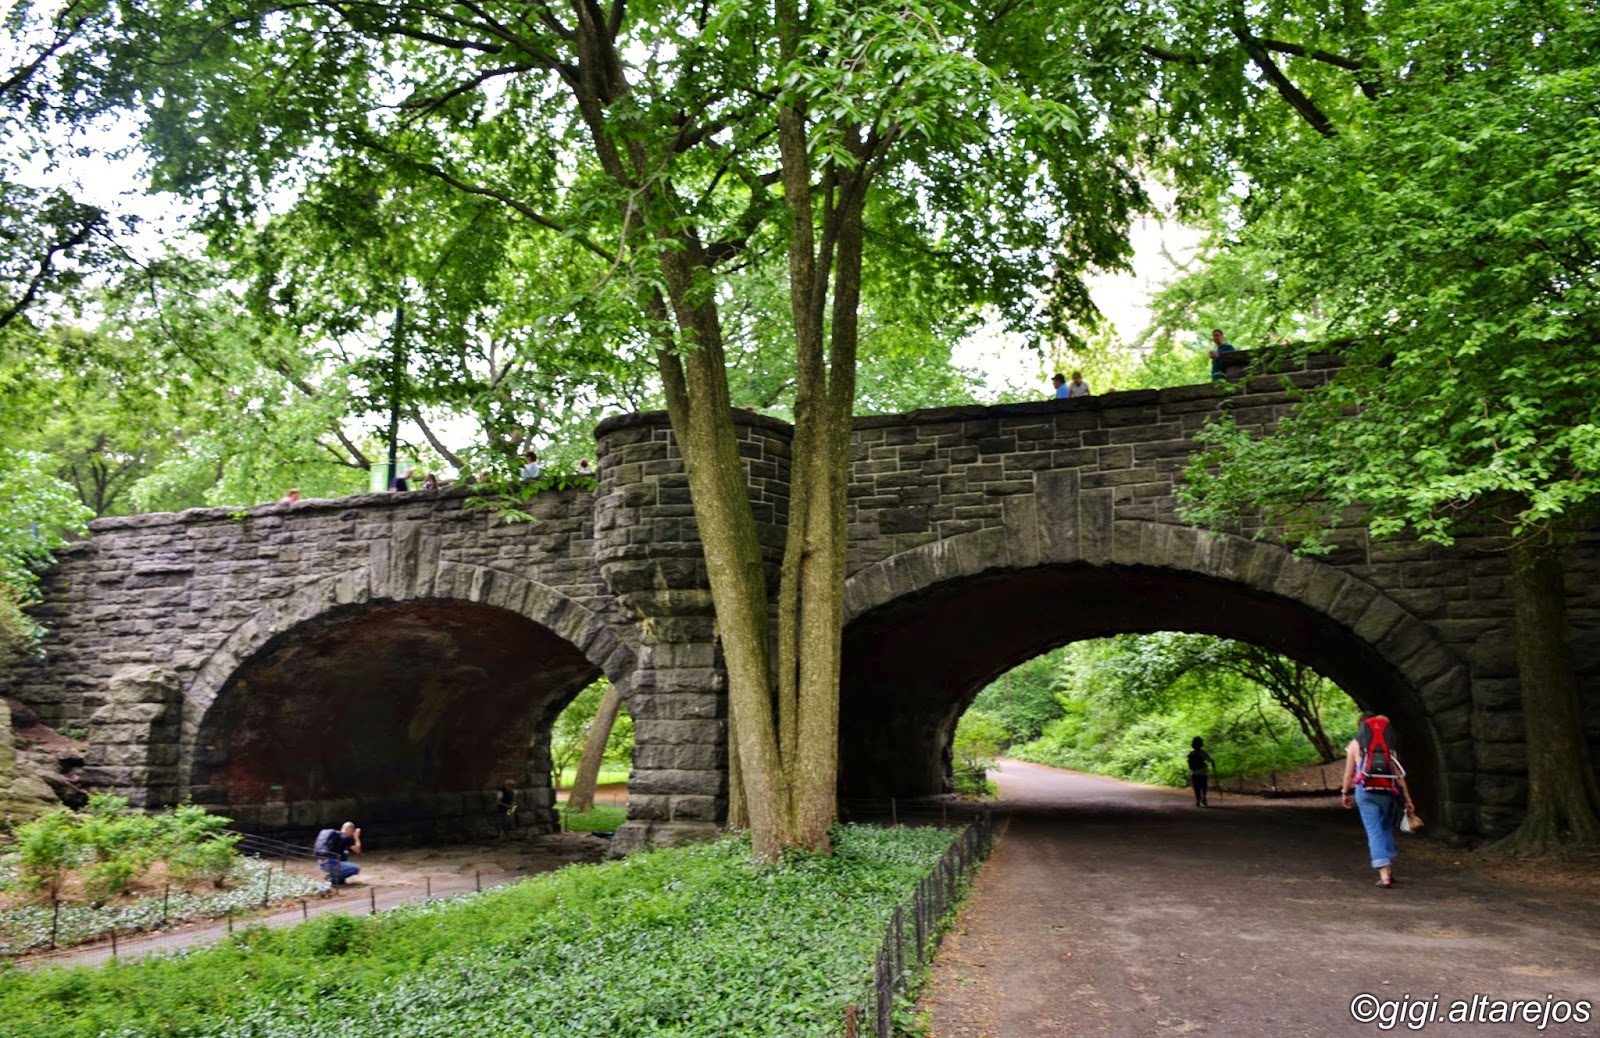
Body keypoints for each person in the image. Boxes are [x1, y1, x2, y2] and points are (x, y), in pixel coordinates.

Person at [1341, 714, 1415, 888]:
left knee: (1374, 830)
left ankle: (1384, 875)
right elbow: (1398, 775)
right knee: (1386, 828)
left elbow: (1349, 774)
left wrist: (1345, 793)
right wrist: (1408, 799)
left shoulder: (1354, 745)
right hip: (1388, 791)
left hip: (1365, 792)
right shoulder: (1388, 746)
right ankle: (1388, 870)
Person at [313, 821, 362, 886]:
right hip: (331, 864)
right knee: (356, 869)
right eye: (352, 832)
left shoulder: (336, 836)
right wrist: (356, 836)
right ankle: (332, 878)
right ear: (350, 830)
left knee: (345, 853)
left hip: (321, 864)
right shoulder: (346, 837)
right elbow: (357, 850)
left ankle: (339, 879)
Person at [1187, 736, 1216, 807]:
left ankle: (1198, 800)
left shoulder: (1191, 753)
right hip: (1203, 772)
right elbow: (1209, 760)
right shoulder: (1203, 752)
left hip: (1194, 772)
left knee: (1196, 787)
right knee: (1203, 786)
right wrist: (1213, 764)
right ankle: (1204, 797)